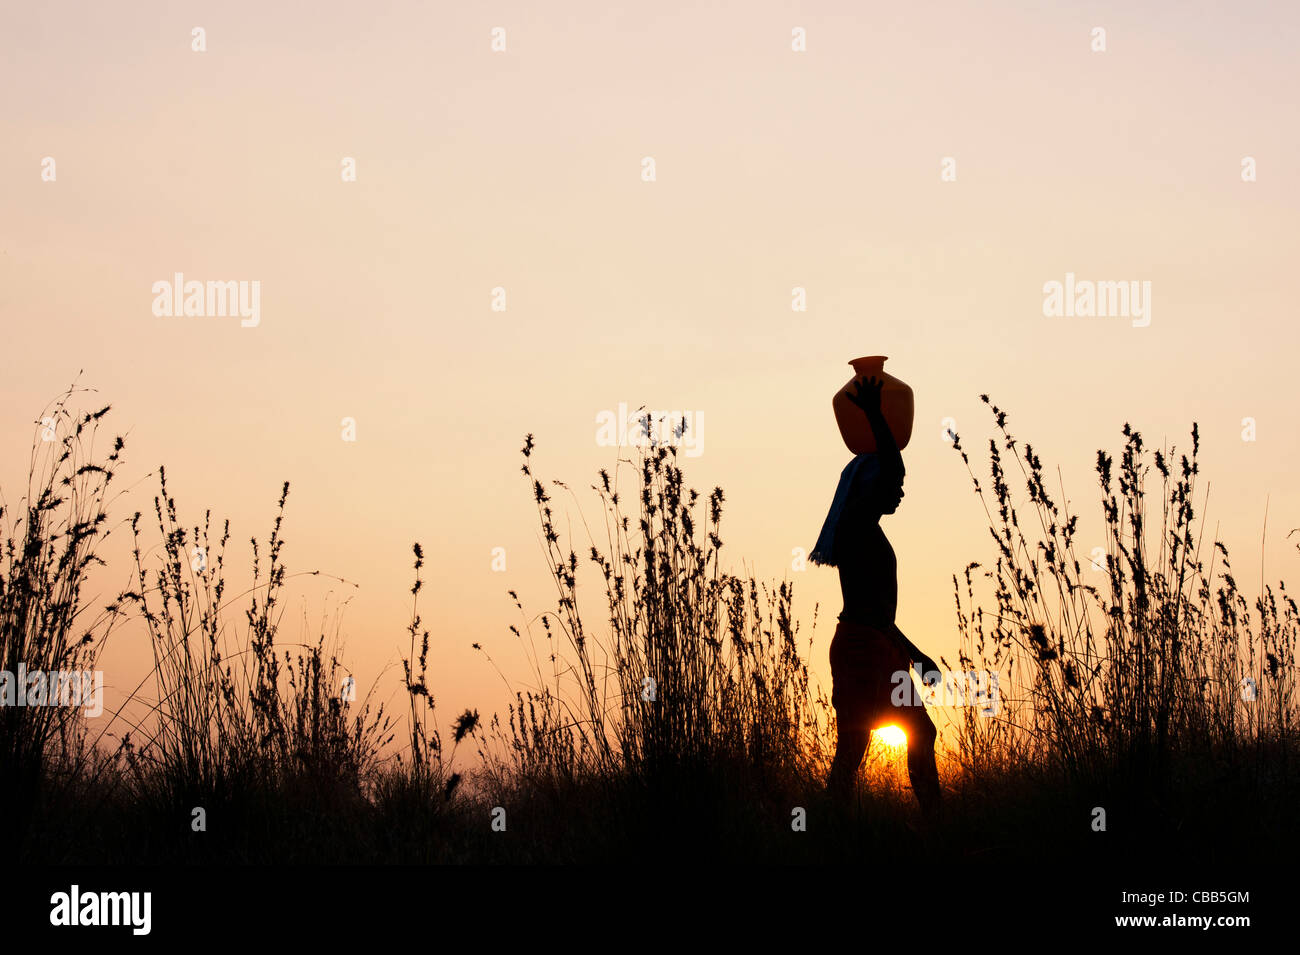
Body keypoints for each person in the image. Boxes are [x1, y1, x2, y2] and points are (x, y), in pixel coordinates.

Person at [811, 375, 942, 813]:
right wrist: (872, 414)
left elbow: (875, 611)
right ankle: (937, 825)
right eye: (893, 485)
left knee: (852, 747)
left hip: (864, 644)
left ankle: (831, 830)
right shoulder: (857, 528)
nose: (901, 491)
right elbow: (892, 463)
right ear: (872, 487)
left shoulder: (862, 528)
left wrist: (909, 652)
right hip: (866, 646)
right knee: (917, 733)